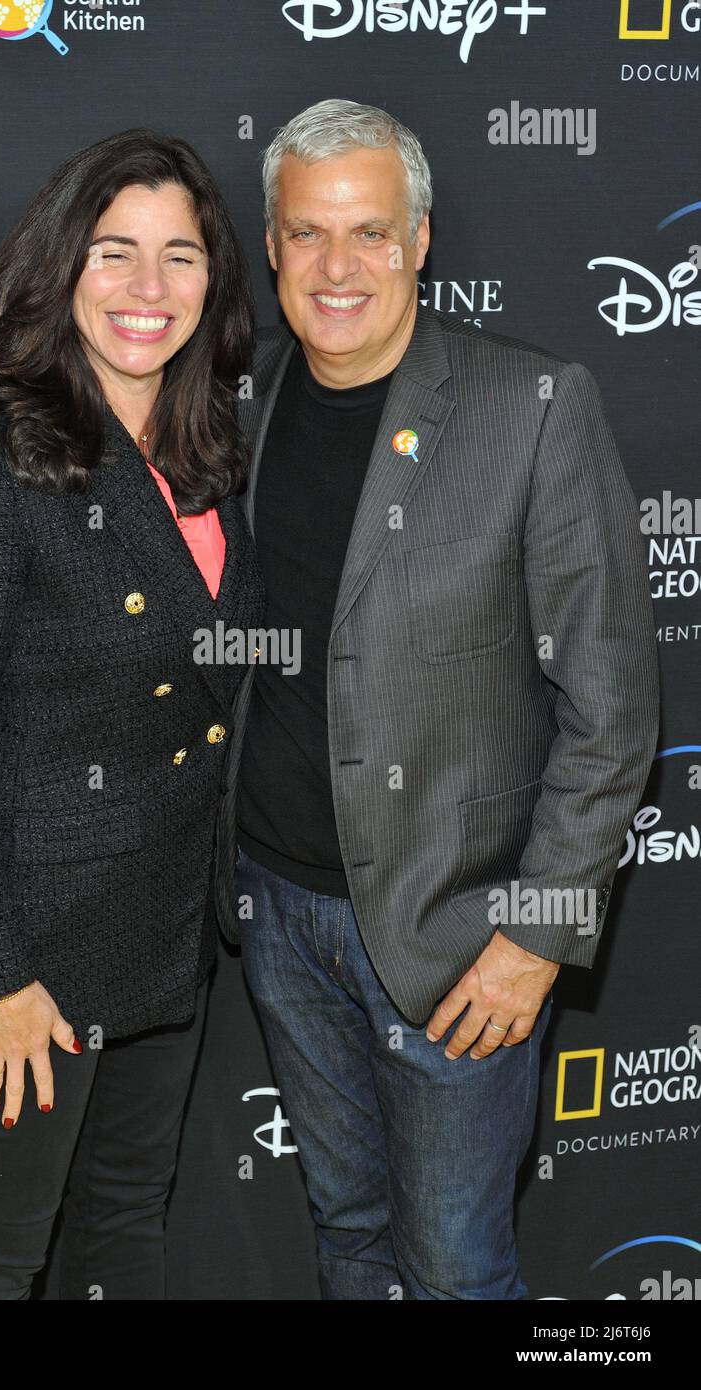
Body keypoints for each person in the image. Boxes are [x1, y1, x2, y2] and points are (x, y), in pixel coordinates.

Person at [212, 99, 660, 1300]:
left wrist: (531, 938)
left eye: (369, 231)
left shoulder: (533, 407)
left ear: (419, 238)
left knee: (457, 1265)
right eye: (308, 234)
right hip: (278, 906)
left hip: (461, 933)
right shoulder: (239, 403)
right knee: (348, 1227)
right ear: (270, 245)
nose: (338, 266)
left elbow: (611, 708)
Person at [0, 129, 264, 1301]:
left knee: (122, 1240)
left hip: (161, 939)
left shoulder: (204, 448)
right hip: (26, 964)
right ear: (61, 265)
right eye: (115, 253)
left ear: (214, 279)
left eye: (180, 256)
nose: (149, 289)